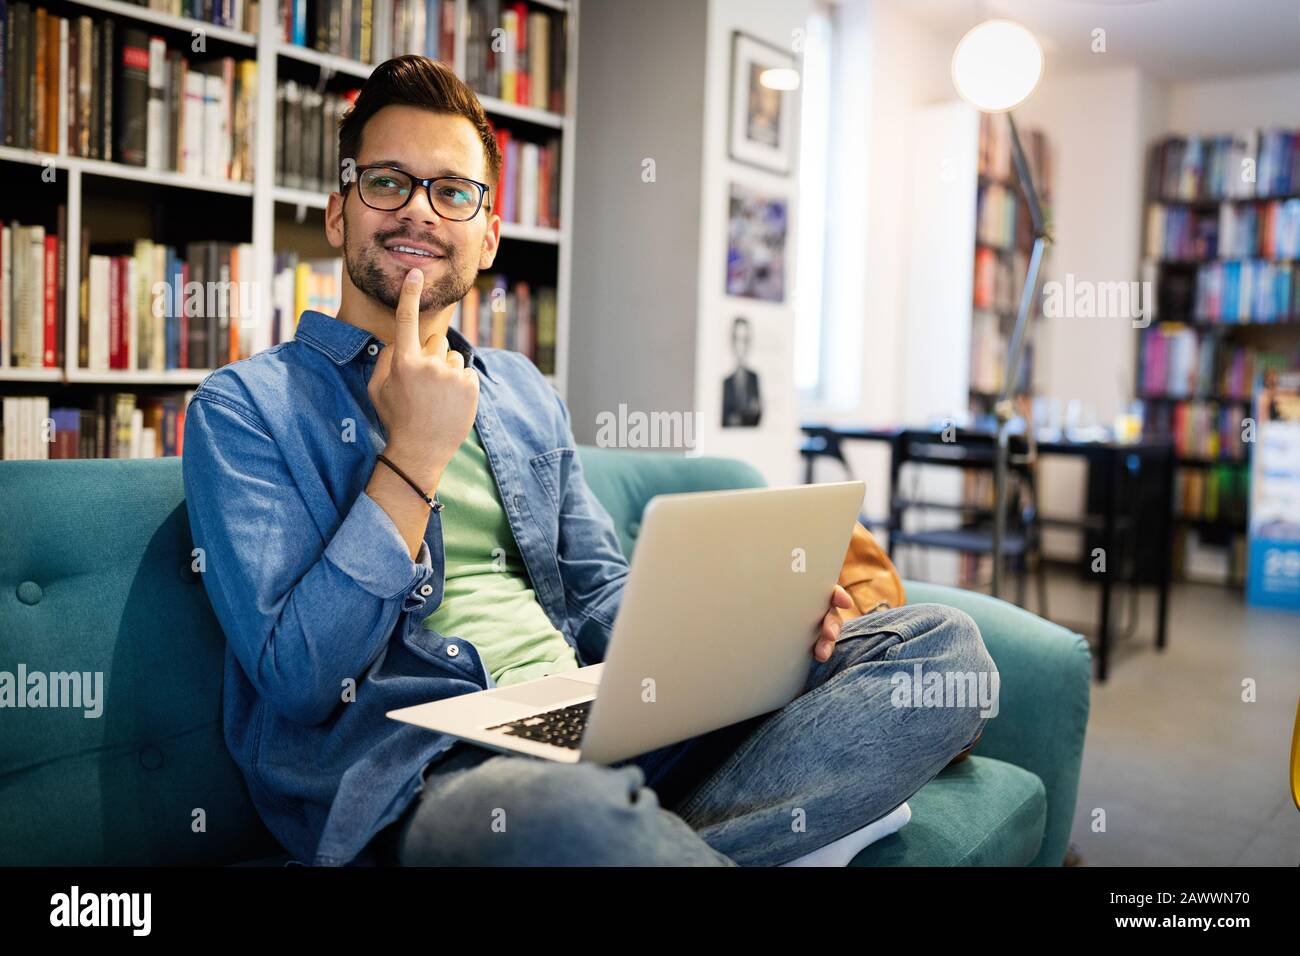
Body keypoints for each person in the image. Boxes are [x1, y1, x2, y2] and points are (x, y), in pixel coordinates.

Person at [182, 55, 994, 867]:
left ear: (489, 234)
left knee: (939, 648)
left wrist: (745, 635)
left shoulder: (523, 391)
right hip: (426, 775)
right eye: (387, 183)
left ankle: (651, 835)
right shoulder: (245, 408)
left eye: (453, 192)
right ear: (338, 215)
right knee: (563, 816)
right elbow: (299, 678)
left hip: (598, 721)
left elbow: (599, 590)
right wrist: (414, 456)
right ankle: (690, 831)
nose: (418, 212)